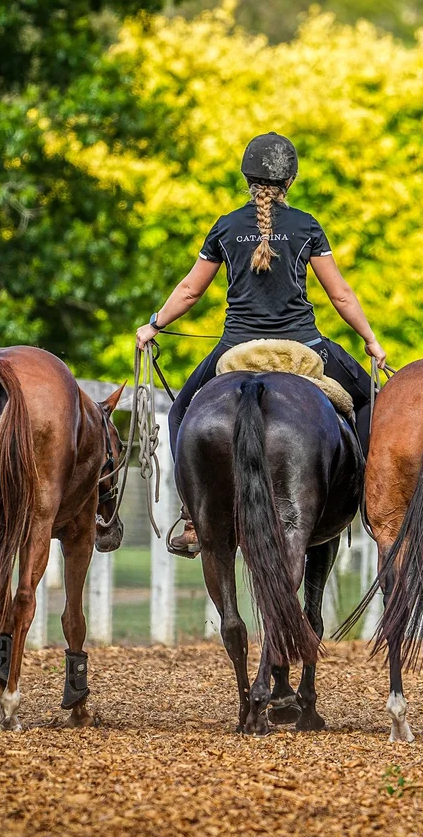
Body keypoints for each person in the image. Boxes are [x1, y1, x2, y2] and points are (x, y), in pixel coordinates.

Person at [135, 132, 389, 557]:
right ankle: (372, 501)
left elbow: (190, 292)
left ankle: (194, 517)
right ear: (289, 181)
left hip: (235, 346)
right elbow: (340, 294)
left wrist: (154, 325)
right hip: (304, 343)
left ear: (247, 178)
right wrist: (370, 340)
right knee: (370, 401)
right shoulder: (306, 226)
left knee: (181, 411)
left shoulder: (226, 226)